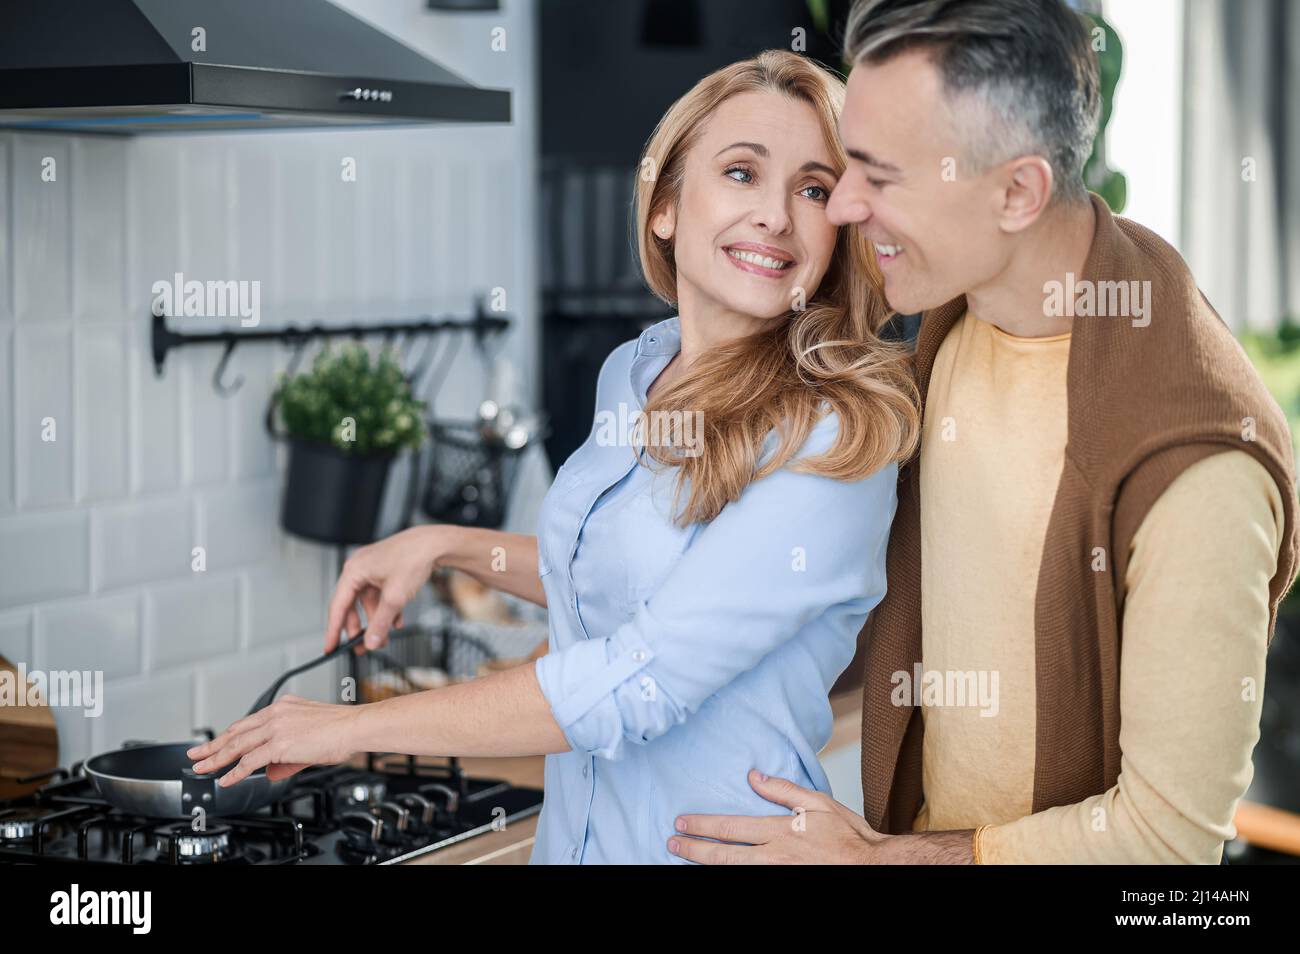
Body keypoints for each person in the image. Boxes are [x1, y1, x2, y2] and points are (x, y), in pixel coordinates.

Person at [186, 49, 921, 864]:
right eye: (742, 173)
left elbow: (638, 678)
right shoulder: (636, 371)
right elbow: (617, 576)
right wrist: (444, 545)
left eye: (813, 189)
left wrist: (352, 728)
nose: (777, 216)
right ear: (665, 206)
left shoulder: (836, 437)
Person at [670, 0, 1300, 864]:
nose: (845, 206)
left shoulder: (1194, 465)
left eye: (881, 177)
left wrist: (877, 863)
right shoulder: (956, 310)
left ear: (1018, 192)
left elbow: (1165, 841)